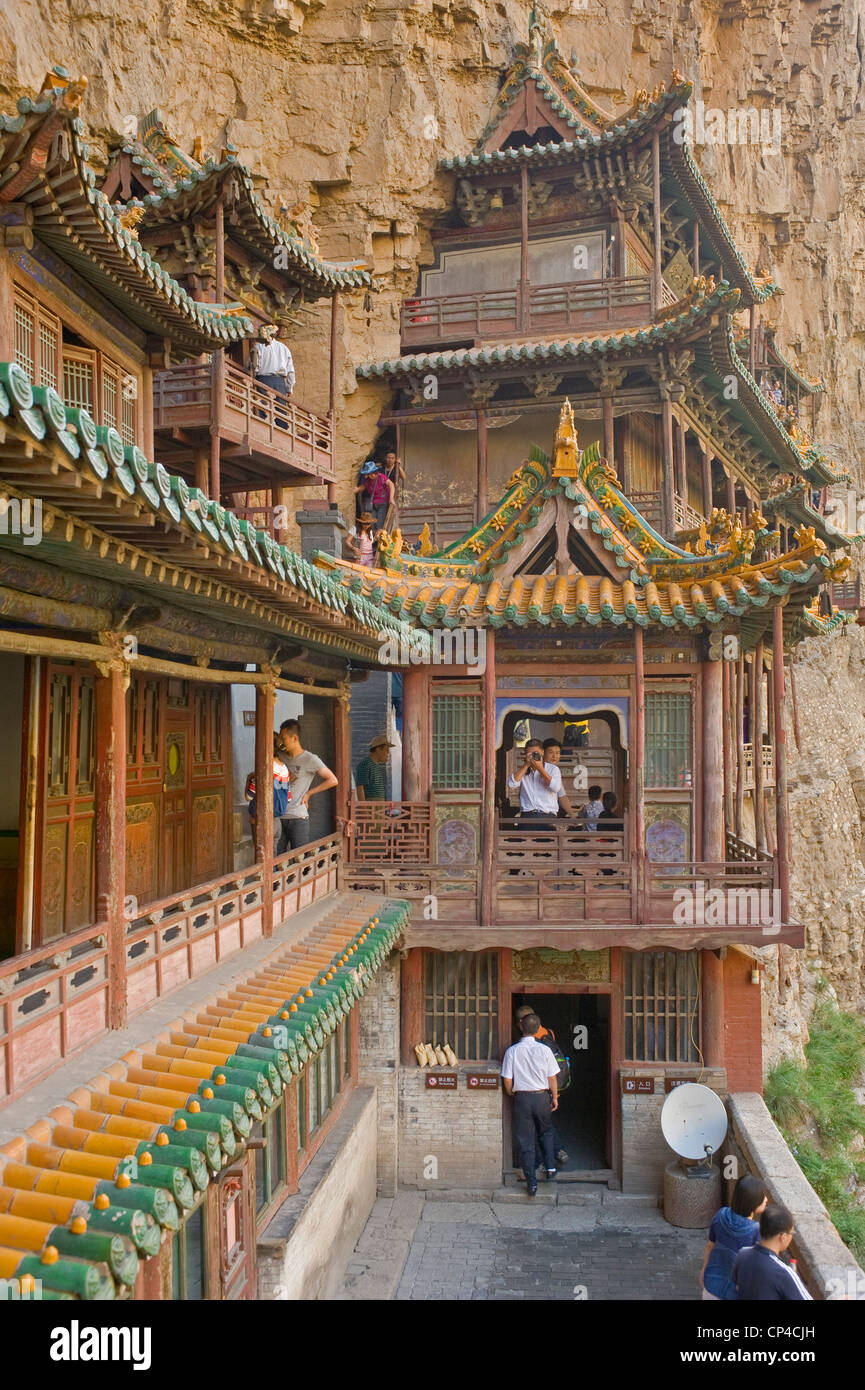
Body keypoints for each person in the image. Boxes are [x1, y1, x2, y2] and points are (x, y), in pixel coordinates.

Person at [501, 1012, 559, 1196]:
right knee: (546, 1131)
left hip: (522, 1099)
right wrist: (555, 1097)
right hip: (542, 1097)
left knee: (526, 1140)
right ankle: (550, 1168)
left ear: (521, 1026)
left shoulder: (512, 1051)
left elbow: (507, 1080)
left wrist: (511, 1093)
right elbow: (552, 1078)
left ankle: (532, 1184)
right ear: (538, 1028)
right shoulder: (545, 1050)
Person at [514, 1004, 569, 1166]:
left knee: (537, 1128)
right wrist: (554, 1094)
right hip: (552, 1084)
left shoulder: (525, 1042)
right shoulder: (549, 1033)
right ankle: (556, 1153)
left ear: (521, 1022)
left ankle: (545, 1160)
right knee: (545, 1124)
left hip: (535, 1088)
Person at [699, 1175, 768, 1300]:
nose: (766, 1199)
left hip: (711, 1285)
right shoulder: (756, 1231)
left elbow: (710, 1245)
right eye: (762, 1196)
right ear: (753, 1202)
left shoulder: (720, 1215)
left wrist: (704, 1269)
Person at [275, 718, 338, 853]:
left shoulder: (310, 759)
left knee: (299, 859)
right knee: (276, 859)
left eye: (284, 738)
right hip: (278, 817)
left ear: (295, 738)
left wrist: (309, 793)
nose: (281, 741)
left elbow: (333, 780)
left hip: (298, 818)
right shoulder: (280, 757)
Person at [732, 1203, 813, 1300]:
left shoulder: (742, 1254)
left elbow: (737, 1286)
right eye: (791, 1233)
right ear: (783, 1237)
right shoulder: (784, 1272)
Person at [507, 739, 563, 830]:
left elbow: (556, 788)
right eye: (530, 754)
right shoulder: (523, 771)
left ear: (542, 753)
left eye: (535, 754)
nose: (533, 757)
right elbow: (511, 785)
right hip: (527, 815)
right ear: (525, 754)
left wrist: (540, 769)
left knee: (547, 843)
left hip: (547, 816)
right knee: (526, 843)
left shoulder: (553, 769)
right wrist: (526, 766)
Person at [245, 735, 291, 841]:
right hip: (276, 822)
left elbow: (248, 797)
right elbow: (288, 799)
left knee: (262, 856)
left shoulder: (264, 769)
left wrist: (248, 779)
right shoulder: (284, 769)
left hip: (262, 822)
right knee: (272, 856)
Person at [255, 324, 295, 402]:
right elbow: (291, 371)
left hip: (264, 380)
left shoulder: (259, 346)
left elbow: (256, 366)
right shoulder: (284, 348)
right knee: (281, 410)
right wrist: (289, 388)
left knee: (264, 409)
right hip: (280, 383)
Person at [354, 459, 394, 530]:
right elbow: (363, 487)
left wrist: (391, 498)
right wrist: (357, 489)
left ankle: (379, 539)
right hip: (373, 504)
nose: (367, 475)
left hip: (383, 503)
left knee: (380, 523)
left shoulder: (381, 477)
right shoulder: (368, 480)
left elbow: (391, 484)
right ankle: (373, 539)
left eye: (368, 473)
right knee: (372, 523)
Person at [355, 734, 393, 801]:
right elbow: (360, 788)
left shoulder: (377, 766)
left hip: (379, 807)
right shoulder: (365, 764)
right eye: (386, 750)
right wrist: (364, 810)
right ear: (378, 749)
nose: (388, 753)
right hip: (370, 807)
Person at [542, 738, 574, 816]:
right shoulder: (534, 769)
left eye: (557, 753)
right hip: (541, 814)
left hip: (548, 815)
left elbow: (562, 795)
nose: (554, 756)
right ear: (542, 753)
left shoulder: (554, 771)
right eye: (551, 752)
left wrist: (572, 815)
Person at [597, 790, 623, 873]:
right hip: (614, 851)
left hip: (600, 849)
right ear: (615, 805)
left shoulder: (601, 816)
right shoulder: (618, 820)